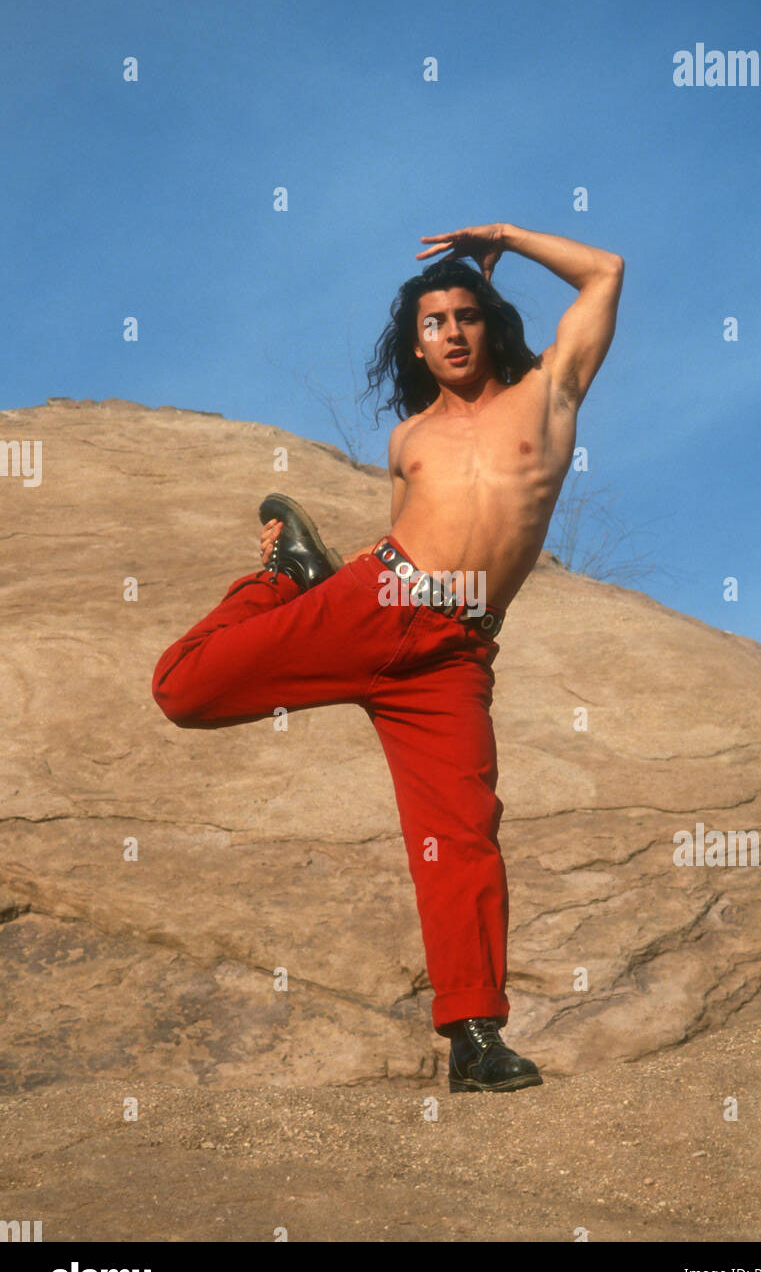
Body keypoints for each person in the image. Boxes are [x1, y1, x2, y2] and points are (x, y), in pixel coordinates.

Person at [152, 223, 624, 1093]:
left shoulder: (548, 395)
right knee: (183, 688)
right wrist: (327, 594)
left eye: (463, 316)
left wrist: (506, 238)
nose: (449, 332)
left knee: (462, 837)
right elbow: (409, 529)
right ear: (415, 344)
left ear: (491, 325)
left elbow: (605, 271)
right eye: (432, 322)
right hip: (379, 599)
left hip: (454, 657)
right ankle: (284, 576)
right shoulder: (409, 439)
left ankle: (475, 1038)